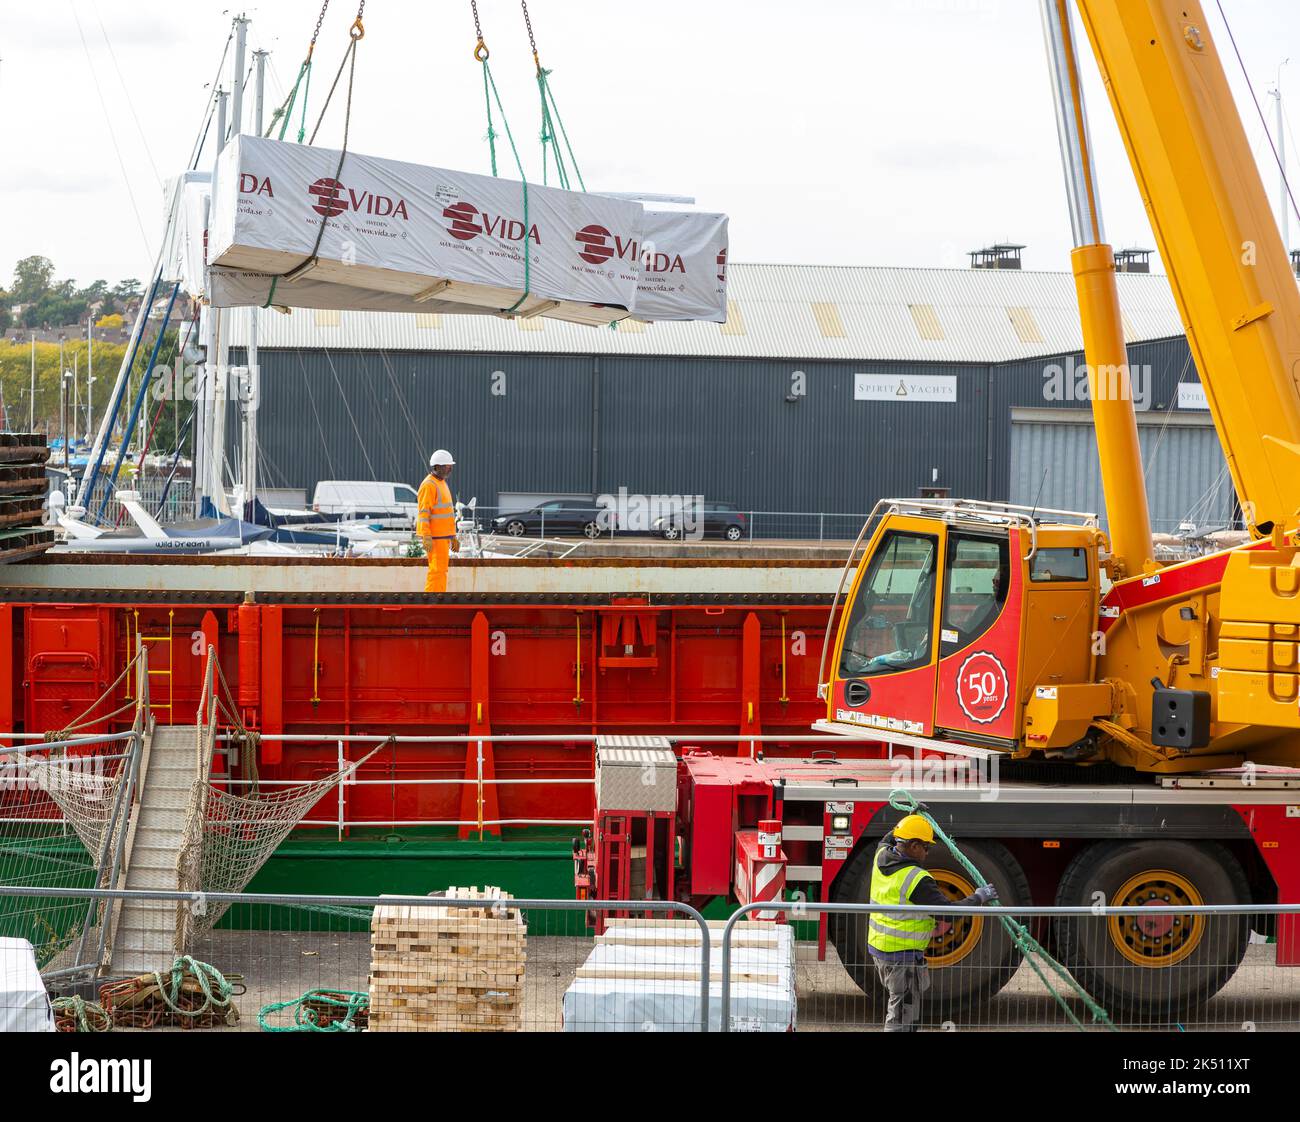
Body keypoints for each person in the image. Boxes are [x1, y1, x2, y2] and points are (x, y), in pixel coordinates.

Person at [868, 814, 998, 1031]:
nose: (927, 852)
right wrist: (978, 897)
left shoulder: (881, 856)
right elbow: (947, 913)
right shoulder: (916, 879)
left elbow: (889, 837)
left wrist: (913, 815)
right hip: (902, 956)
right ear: (914, 846)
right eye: (926, 847)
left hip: (880, 949)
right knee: (901, 1015)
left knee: (903, 1011)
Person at [417, 449, 459, 593]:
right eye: (447, 466)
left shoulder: (441, 483)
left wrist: (453, 536)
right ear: (436, 467)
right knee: (437, 571)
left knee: (441, 571)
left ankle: (438, 596)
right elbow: (424, 513)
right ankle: (432, 599)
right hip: (435, 538)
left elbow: (446, 514)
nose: (450, 469)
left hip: (442, 537)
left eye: (450, 466)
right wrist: (426, 535)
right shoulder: (429, 485)